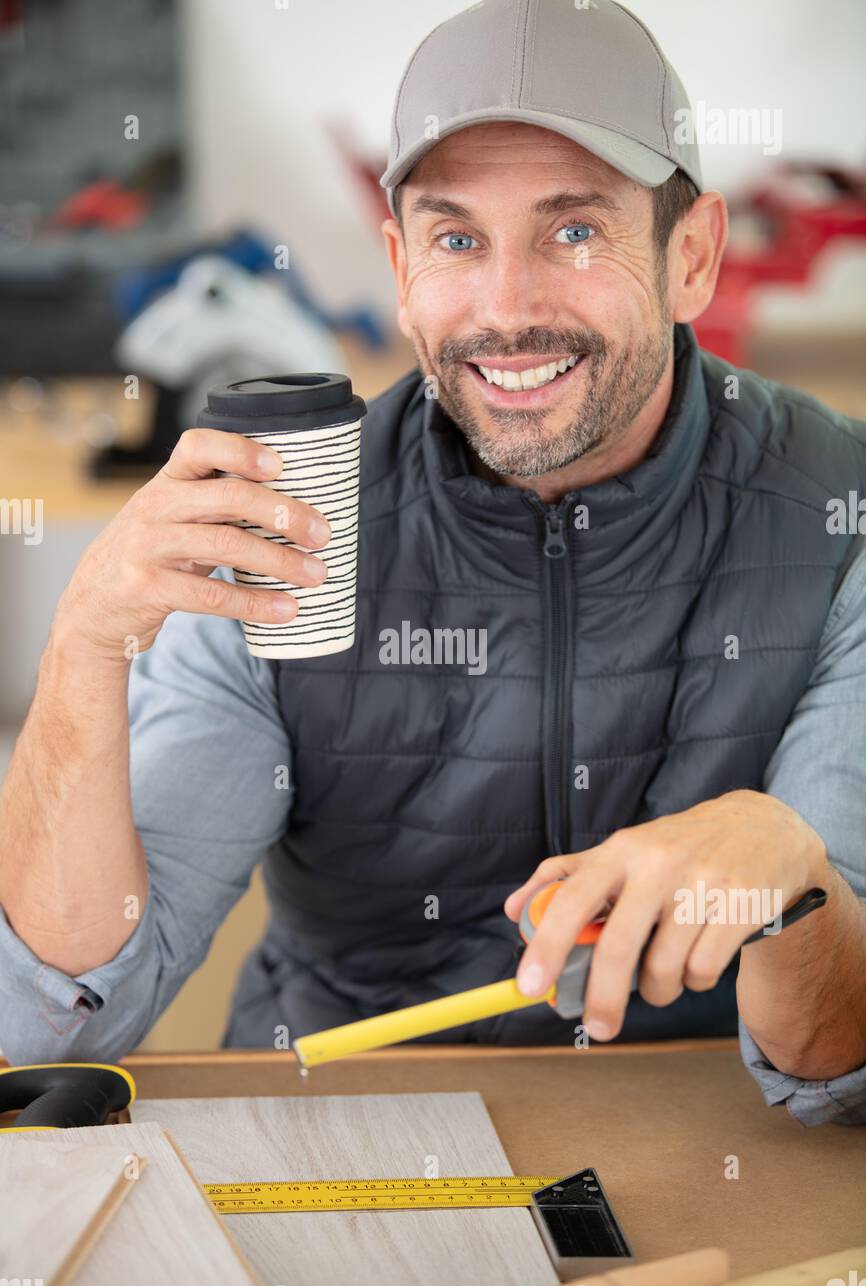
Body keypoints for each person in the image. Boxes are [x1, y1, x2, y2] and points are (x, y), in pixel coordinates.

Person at [1, 0, 865, 1127]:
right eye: (457, 239)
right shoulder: (286, 526)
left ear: (690, 256)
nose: (504, 310)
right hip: (344, 1122)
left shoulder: (835, 518)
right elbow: (53, 1024)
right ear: (402, 269)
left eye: (572, 231)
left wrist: (790, 882)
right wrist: (83, 646)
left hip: (707, 1136)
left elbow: (832, 1078)